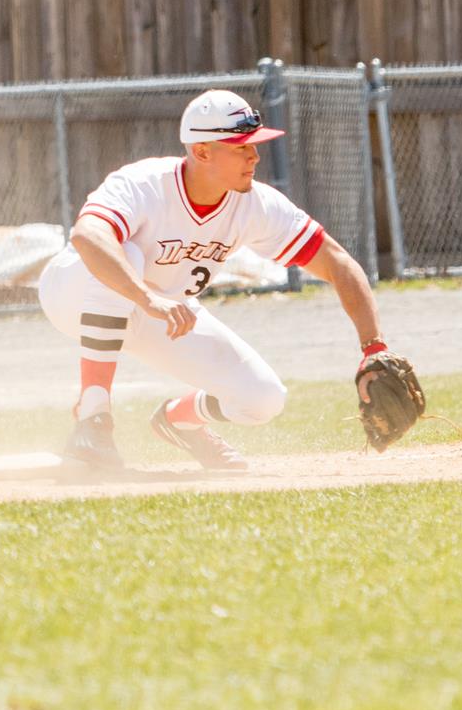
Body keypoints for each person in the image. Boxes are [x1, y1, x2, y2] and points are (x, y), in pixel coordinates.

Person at [38, 89, 393, 471]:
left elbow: (337, 263)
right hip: (76, 292)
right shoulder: (144, 183)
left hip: (162, 311)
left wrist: (374, 349)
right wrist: (146, 297)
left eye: (255, 145)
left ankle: (180, 420)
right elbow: (88, 236)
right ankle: (92, 419)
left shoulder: (256, 204)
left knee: (263, 398)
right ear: (202, 151)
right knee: (129, 252)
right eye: (241, 147)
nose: (255, 156)